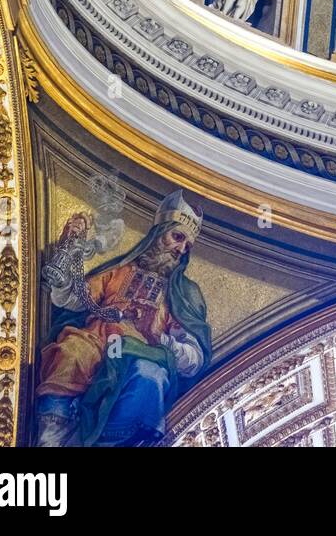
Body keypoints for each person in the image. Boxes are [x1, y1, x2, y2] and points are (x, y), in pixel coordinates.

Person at [35, 191, 211, 446]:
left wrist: (161, 338)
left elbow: (194, 359)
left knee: (150, 376)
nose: (181, 249)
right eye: (178, 237)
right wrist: (67, 253)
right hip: (96, 340)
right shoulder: (120, 270)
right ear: (160, 232)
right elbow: (74, 300)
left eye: (187, 246)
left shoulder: (182, 294)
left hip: (141, 351)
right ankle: (51, 439)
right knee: (71, 352)